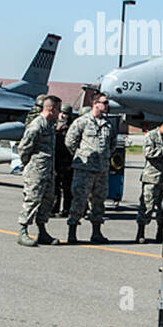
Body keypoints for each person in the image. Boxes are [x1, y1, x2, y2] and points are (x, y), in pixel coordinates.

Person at [65, 92, 116, 244]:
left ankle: (96, 232)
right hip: (85, 169)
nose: (107, 106)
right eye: (104, 102)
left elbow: (112, 144)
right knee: (79, 200)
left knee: (99, 202)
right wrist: (81, 155)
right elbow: (70, 141)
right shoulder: (82, 121)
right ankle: (72, 232)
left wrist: (103, 156)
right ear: (95, 104)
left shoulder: (108, 124)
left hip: (101, 169)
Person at [16, 96, 59, 246]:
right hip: (36, 170)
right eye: (58, 109)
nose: (59, 113)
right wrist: (28, 164)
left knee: (47, 201)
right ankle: (23, 231)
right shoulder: (37, 125)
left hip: (47, 170)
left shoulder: (50, 125)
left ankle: (42, 231)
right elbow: (23, 148)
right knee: (32, 199)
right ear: (51, 109)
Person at [136, 117, 163, 243]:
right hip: (152, 178)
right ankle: (140, 233)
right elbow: (148, 153)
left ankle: (160, 233)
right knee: (147, 206)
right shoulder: (152, 136)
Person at [53, 102, 75, 216]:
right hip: (56, 159)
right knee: (55, 186)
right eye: (61, 112)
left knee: (67, 187)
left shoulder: (73, 128)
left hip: (67, 160)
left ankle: (66, 209)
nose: (62, 115)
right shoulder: (53, 125)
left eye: (65, 113)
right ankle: (54, 208)